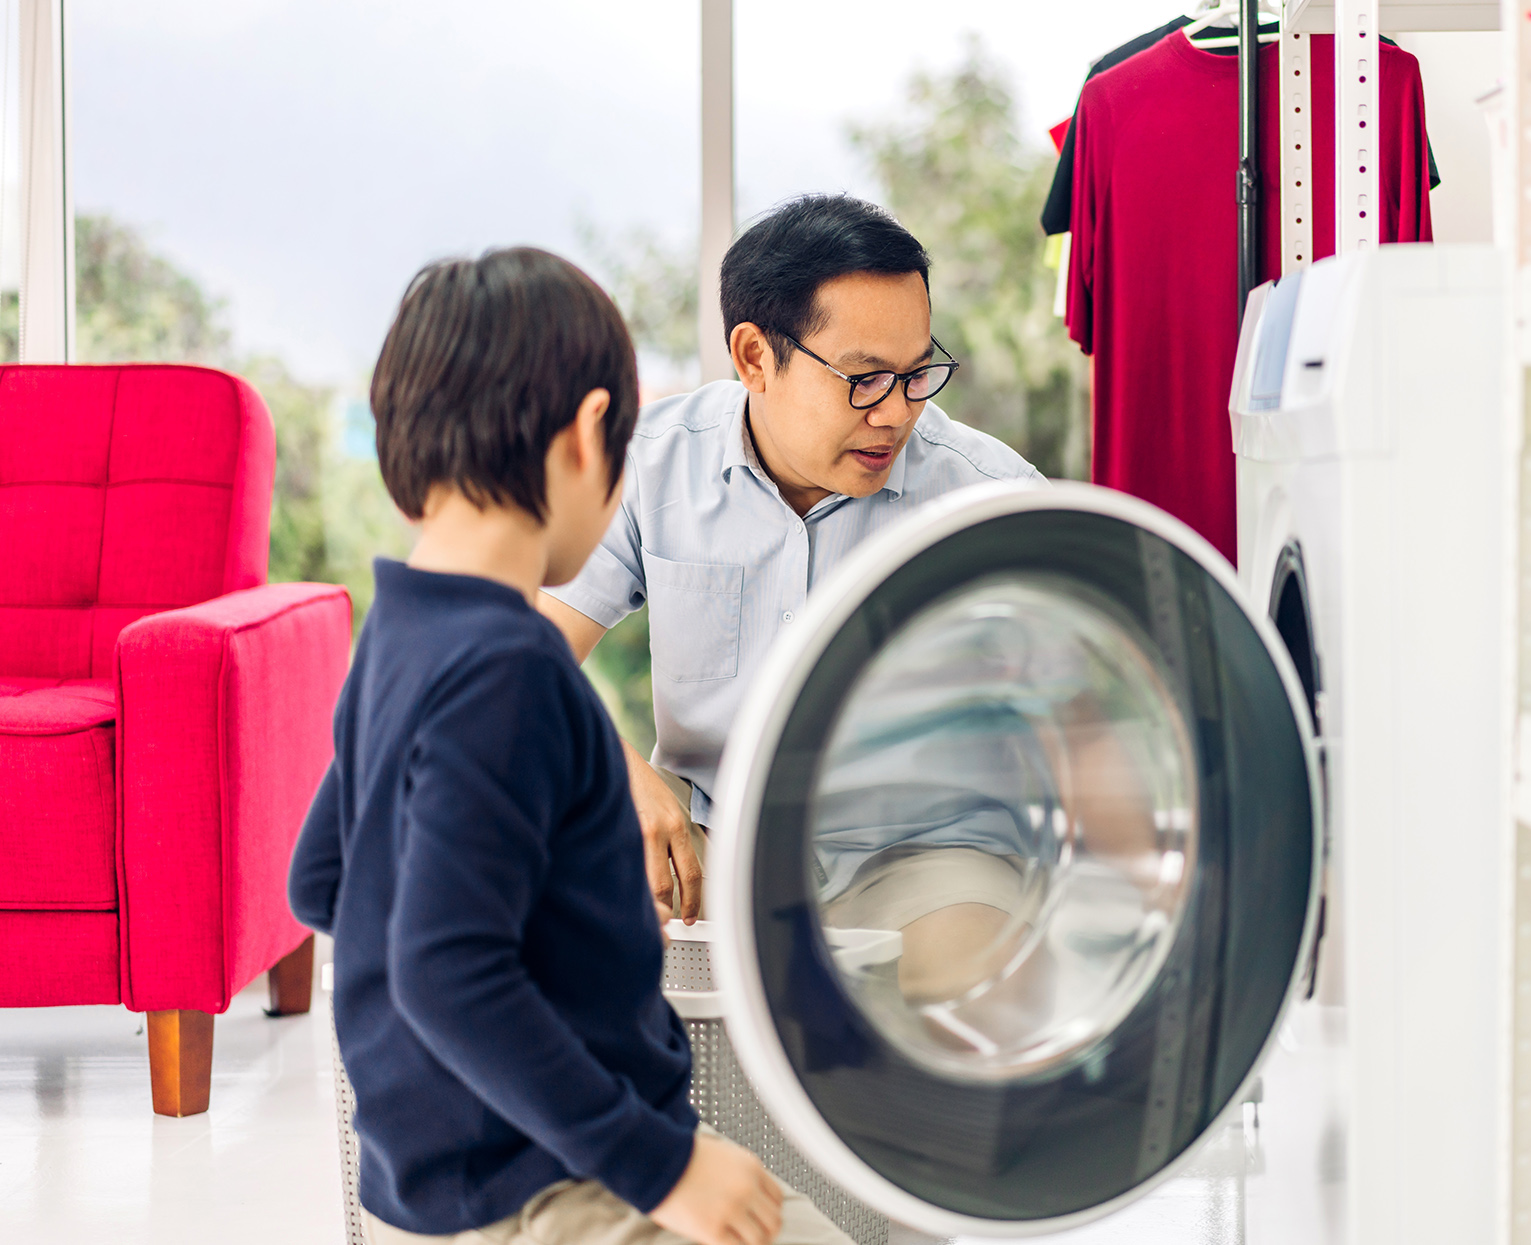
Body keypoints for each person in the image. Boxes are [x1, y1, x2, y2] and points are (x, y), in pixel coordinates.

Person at [287, 247, 850, 1245]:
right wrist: (662, 1166)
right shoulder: (511, 669)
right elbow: (442, 969)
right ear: (590, 436)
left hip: (440, 1188)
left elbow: (321, 880)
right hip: (557, 1195)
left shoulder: (400, 631)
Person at [536, 194, 1041, 926]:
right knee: (573, 868)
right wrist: (619, 771)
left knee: (954, 1009)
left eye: (917, 373)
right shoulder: (654, 463)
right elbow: (526, 652)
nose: (897, 412)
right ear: (754, 358)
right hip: (715, 836)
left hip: (929, 859)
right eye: (863, 379)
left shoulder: (989, 499)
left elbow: (1095, 707)